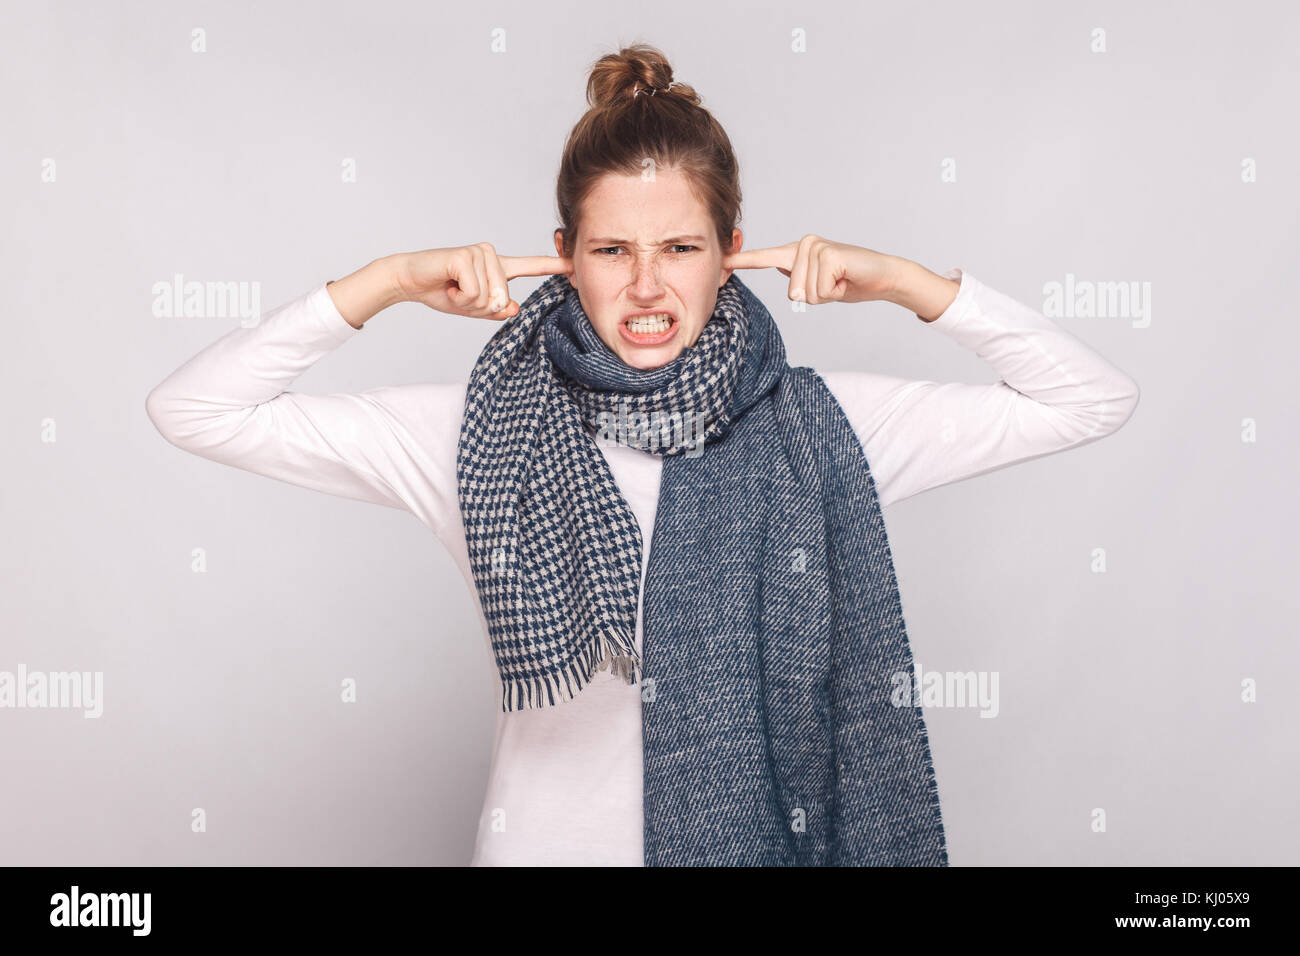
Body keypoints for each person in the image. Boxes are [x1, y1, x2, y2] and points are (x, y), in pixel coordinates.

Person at [146, 43, 1140, 866]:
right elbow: (195, 408)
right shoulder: (480, 431)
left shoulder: (821, 429)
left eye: (681, 247)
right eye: (613, 250)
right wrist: (389, 279)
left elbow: (1089, 397)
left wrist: (904, 282)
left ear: (733, 248)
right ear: (563, 255)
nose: (648, 287)